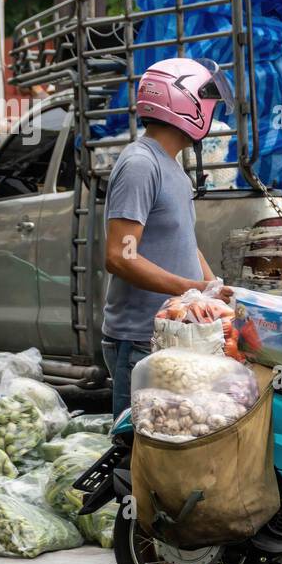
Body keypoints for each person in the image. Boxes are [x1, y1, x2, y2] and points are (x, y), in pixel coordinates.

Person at [102, 57, 234, 417]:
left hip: (171, 335)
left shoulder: (170, 165)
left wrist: (212, 290)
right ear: (185, 102)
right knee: (142, 456)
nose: (211, 112)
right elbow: (120, 255)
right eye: (208, 102)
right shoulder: (140, 165)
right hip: (142, 341)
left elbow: (183, 240)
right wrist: (188, 288)